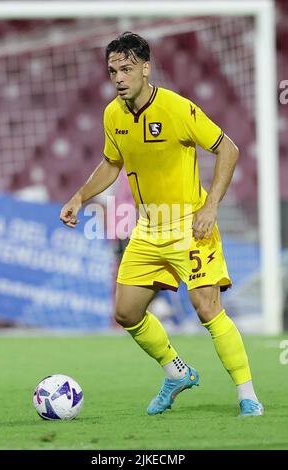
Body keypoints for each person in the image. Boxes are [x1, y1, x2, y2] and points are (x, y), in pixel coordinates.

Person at [60, 32, 263, 417]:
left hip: (190, 225)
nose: (119, 78)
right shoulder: (112, 114)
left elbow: (228, 149)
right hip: (149, 229)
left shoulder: (177, 109)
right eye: (112, 71)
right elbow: (111, 162)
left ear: (146, 68)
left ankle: (247, 395)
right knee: (125, 313)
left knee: (206, 307)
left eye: (127, 69)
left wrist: (211, 207)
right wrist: (79, 196)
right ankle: (176, 372)